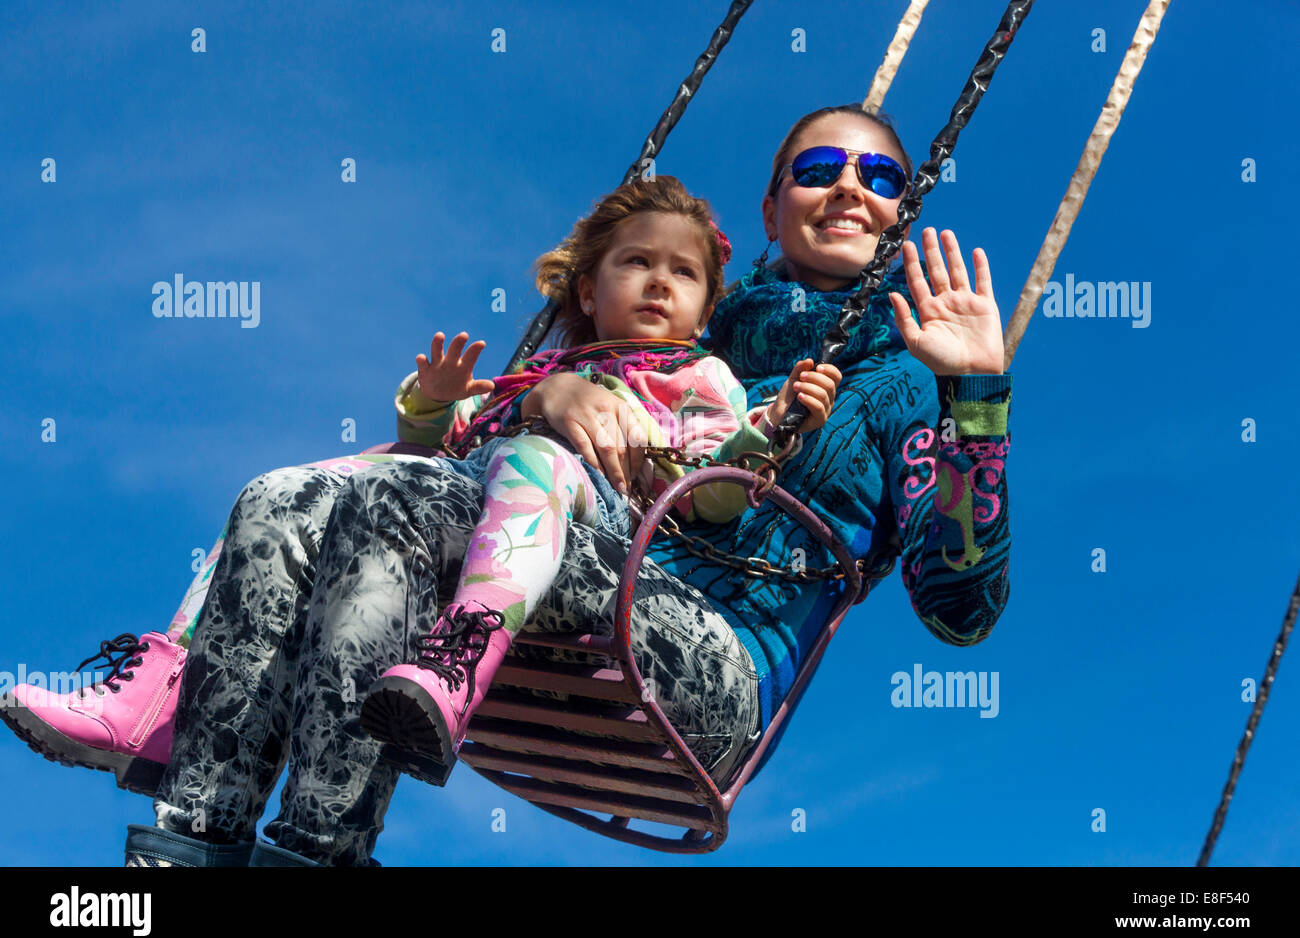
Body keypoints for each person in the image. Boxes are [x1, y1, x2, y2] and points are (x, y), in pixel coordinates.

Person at [3, 103, 1012, 867]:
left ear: (901, 208)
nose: (849, 187)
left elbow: (959, 608)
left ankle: (318, 845)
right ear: (770, 204)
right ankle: (197, 835)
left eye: (880, 174)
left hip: (703, 674)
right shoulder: (682, 337)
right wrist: (551, 393)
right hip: (551, 591)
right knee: (287, 496)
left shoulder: (896, 379)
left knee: (398, 507)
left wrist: (976, 393)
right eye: (819, 167)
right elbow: (482, 437)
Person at [356, 175, 839, 786]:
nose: (660, 280)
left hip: (599, 514)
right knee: (361, 470)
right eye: (637, 261)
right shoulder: (539, 374)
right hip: (479, 492)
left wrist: (765, 428)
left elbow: (710, 494)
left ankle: (462, 653)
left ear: (704, 313)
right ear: (587, 291)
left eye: (684, 273)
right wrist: (430, 403)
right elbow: (451, 447)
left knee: (537, 457)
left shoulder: (695, 379)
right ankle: (193, 658)